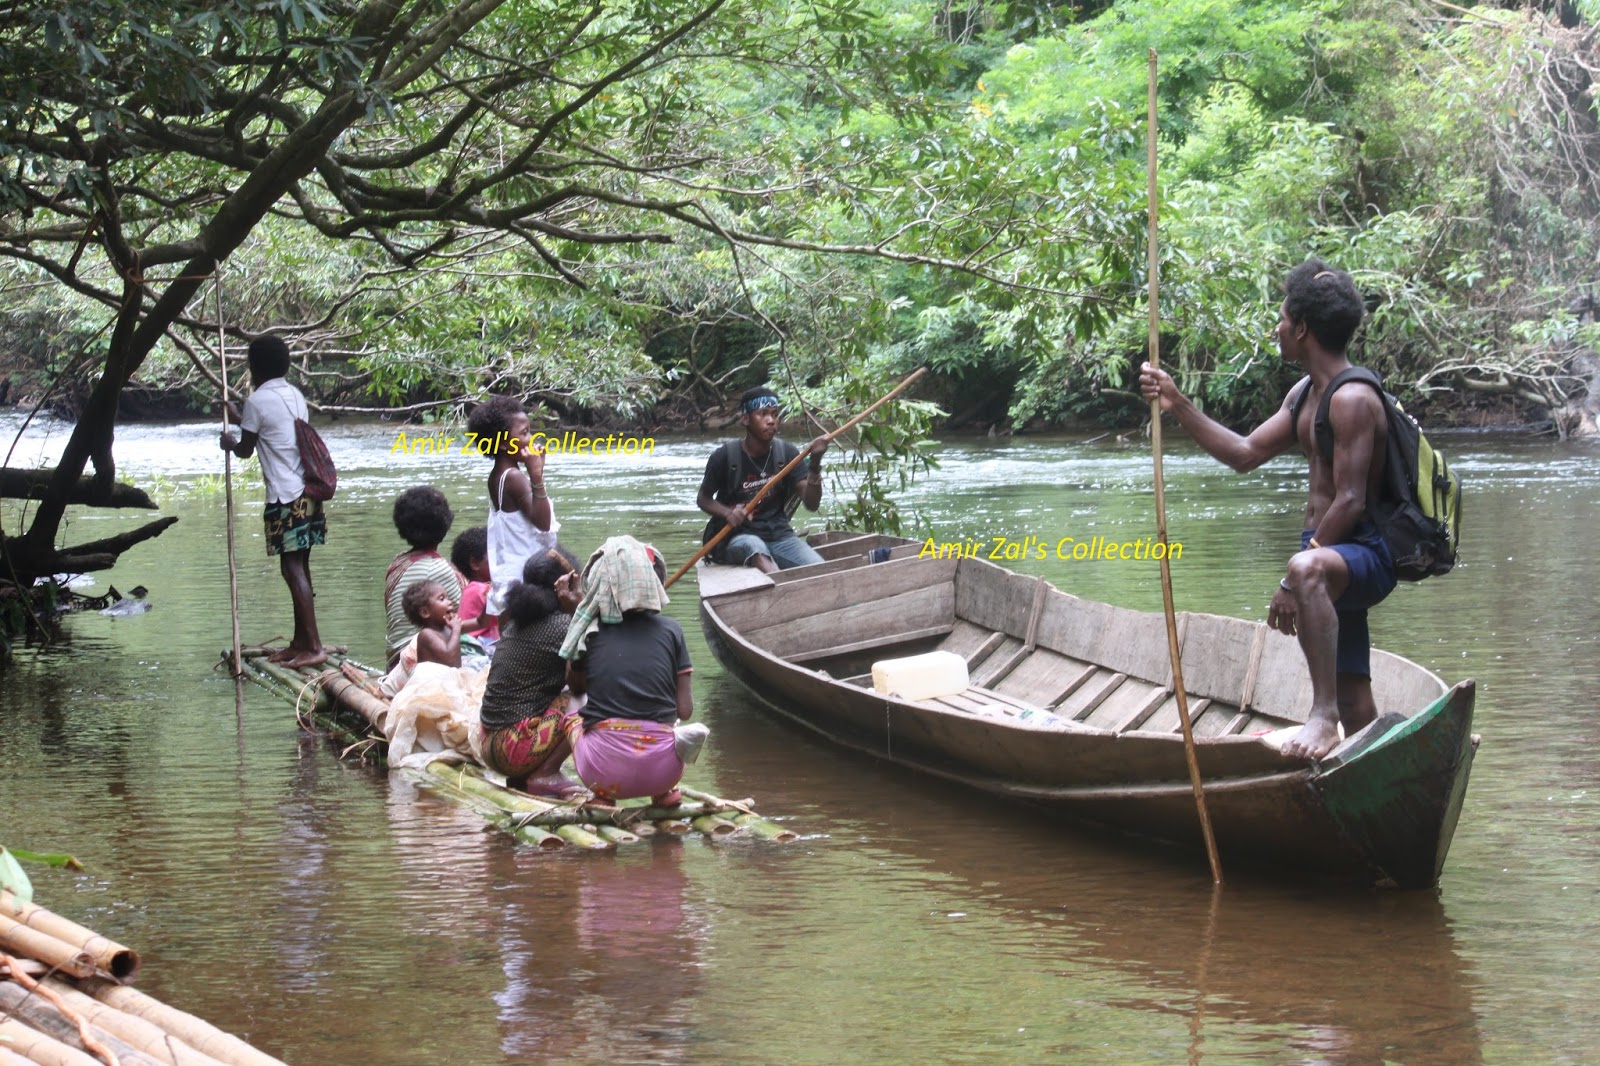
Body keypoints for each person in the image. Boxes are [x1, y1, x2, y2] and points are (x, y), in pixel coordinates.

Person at [1138, 260, 1395, 760]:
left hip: (1362, 552)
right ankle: (1374, 760)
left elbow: (1351, 500)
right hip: (1325, 553)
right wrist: (1176, 402)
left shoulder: (1354, 400)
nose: (1276, 328)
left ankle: (1322, 720)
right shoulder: (1304, 395)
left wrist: (1292, 582)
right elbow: (1244, 454)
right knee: (1356, 698)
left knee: (1307, 571)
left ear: (1301, 328)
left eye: (1281, 318)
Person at [559, 536, 697, 805]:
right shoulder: (672, 630)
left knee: (573, 704)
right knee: (668, 723)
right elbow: (685, 711)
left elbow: (576, 688)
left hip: (604, 772)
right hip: (665, 772)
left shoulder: (592, 632)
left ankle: (602, 795)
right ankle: (663, 792)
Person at [221, 335, 326, 669]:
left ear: (254, 367)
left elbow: (245, 449)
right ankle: (301, 642)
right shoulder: (295, 394)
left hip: (285, 496)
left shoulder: (257, 401)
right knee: (301, 567)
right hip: (309, 494)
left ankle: (314, 646)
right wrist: (241, 417)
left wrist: (229, 442)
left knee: (291, 568)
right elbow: (272, 428)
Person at [478, 546, 586, 798]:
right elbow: (586, 679)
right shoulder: (563, 625)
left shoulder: (514, 622)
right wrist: (581, 612)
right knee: (586, 697)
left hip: (488, 746)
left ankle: (529, 775)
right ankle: (546, 773)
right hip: (512, 750)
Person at [696, 386, 830, 573]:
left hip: (779, 536)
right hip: (739, 536)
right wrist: (728, 513)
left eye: (775, 415)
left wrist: (815, 464)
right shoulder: (725, 456)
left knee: (820, 569)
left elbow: (812, 503)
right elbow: (703, 499)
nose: (771, 421)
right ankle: (777, 586)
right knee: (756, 551)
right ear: (745, 419)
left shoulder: (787, 453)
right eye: (763, 414)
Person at [466, 395, 558, 621]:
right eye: (524, 433)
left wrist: (537, 472)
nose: (531, 438)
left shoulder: (498, 475)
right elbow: (542, 522)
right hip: (526, 578)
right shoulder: (514, 477)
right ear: (505, 443)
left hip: (511, 574)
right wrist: (536, 475)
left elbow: (526, 511)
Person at [384, 486, 462, 668]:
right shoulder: (440, 569)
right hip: (420, 662)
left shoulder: (397, 564)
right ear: (444, 524)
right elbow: (461, 618)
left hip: (395, 661)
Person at [450, 525, 499, 646]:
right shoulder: (480, 590)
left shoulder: (473, 588)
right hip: (479, 648)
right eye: (495, 554)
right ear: (475, 564)